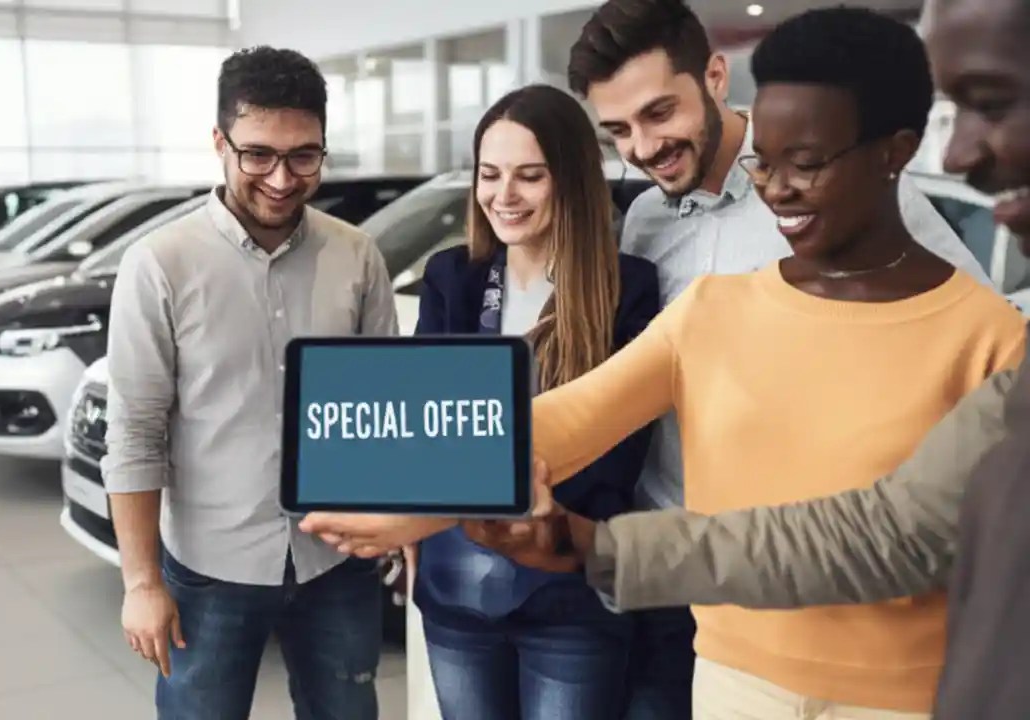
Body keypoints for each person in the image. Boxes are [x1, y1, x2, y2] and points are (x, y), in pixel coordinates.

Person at [300, 7, 1027, 718]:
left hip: (850, 619)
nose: (643, 147)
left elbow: (938, 418)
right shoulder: (660, 238)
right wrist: (415, 489)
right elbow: (582, 408)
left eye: (658, 113)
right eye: (618, 131)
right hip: (669, 578)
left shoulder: (951, 300)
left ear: (715, 78)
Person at [101, 46, 398, 720]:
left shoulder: (356, 255)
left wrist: (399, 525)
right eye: (258, 155)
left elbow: (382, 410)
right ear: (219, 142)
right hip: (211, 567)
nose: (282, 179)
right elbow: (136, 431)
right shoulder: (160, 264)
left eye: (304, 156)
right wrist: (141, 582)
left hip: (337, 559)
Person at [410, 83, 660, 720]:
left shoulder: (627, 290)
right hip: (457, 590)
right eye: (489, 174)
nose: (504, 195)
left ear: (570, 180)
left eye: (530, 175)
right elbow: (425, 434)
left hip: (570, 598)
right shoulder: (452, 280)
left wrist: (482, 469)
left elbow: (614, 457)